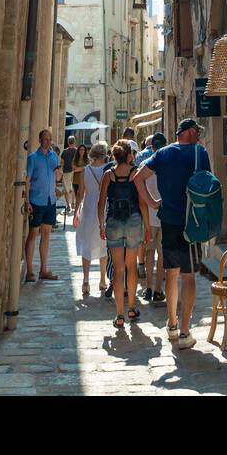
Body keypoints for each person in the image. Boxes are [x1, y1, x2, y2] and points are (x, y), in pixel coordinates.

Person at [135, 118, 211, 349]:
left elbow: (138, 178)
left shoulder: (163, 154)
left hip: (168, 219)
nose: (199, 134)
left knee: (171, 273)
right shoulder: (200, 153)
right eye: (197, 130)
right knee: (189, 276)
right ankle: (186, 331)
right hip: (191, 223)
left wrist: (152, 202)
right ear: (188, 132)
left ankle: (172, 323)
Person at [99, 141, 152, 329]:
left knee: (118, 270)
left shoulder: (108, 175)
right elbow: (143, 202)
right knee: (131, 267)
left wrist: (101, 225)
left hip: (114, 221)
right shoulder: (135, 173)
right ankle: (131, 308)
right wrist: (147, 226)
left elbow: (101, 202)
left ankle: (119, 314)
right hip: (134, 221)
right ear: (129, 155)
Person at [24, 128, 60, 282]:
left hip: (50, 201)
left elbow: (58, 177)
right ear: (40, 140)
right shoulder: (33, 158)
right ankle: (30, 271)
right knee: (33, 234)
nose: (47, 142)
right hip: (36, 201)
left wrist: (59, 174)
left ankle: (43, 269)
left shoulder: (54, 157)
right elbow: (27, 180)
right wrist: (27, 201)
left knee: (46, 234)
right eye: (45, 139)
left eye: (49, 139)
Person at [74, 143, 109, 297]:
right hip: (104, 207)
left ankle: (86, 280)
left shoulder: (85, 171)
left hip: (88, 208)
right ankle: (102, 279)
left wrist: (76, 211)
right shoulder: (108, 170)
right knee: (104, 244)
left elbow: (80, 193)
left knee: (87, 243)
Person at [139, 133, 167, 304]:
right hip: (165, 215)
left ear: (152, 147)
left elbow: (138, 188)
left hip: (148, 215)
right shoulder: (169, 164)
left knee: (149, 252)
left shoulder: (144, 165)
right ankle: (158, 289)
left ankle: (149, 287)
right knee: (162, 254)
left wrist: (149, 203)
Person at [60, 135, 78, 213]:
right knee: (74, 188)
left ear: (68, 142)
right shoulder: (77, 151)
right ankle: (73, 203)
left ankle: (68, 205)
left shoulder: (64, 151)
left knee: (66, 190)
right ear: (74, 142)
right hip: (75, 171)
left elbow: (62, 162)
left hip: (66, 171)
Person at [71, 143, 88, 210]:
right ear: (78, 150)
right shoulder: (75, 159)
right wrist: (83, 168)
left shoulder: (87, 159)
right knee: (76, 196)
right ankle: (78, 210)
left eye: (83, 149)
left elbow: (88, 168)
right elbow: (74, 169)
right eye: (80, 149)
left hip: (84, 180)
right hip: (75, 180)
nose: (82, 151)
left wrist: (79, 168)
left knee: (81, 197)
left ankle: (80, 210)